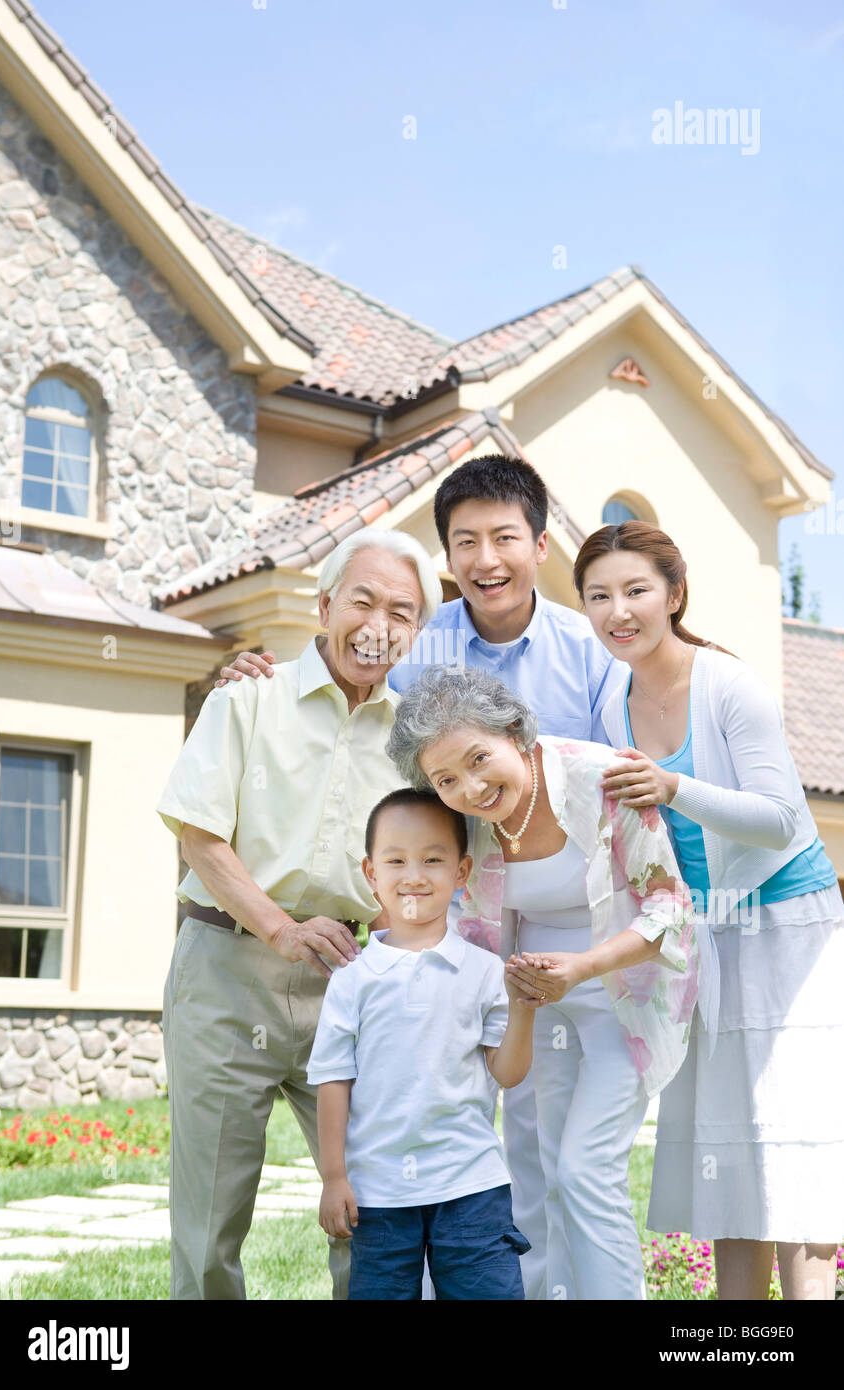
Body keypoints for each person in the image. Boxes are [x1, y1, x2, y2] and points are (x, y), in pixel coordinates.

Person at [215, 452, 627, 1298]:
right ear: (447, 558)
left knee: (574, 1150)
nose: (486, 559)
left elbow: (632, 758)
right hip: (470, 912)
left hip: (573, 916)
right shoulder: (427, 639)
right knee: (493, 1124)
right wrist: (259, 671)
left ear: (540, 545)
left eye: (504, 538)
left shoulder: (589, 648)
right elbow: (354, 662)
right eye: (465, 541)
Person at [156, 529, 443, 1299]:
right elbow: (200, 838)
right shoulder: (247, 697)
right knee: (212, 1223)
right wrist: (280, 929)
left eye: (403, 612)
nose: (380, 624)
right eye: (365, 600)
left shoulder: (418, 742)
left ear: (416, 633)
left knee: (374, 1204)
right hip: (227, 974)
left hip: (350, 986)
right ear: (324, 606)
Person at [574, 519, 844, 1301]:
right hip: (708, 936)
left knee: (792, 1144)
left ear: (674, 594)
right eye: (598, 596)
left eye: (635, 591)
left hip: (792, 932)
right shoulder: (613, 705)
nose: (618, 611)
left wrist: (673, 785)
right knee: (727, 1145)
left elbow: (782, 818)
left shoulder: (730, 684)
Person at [385, 665, 698, 1300]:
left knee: (587, 1168)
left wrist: (582, 967)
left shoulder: (599, 776)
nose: (470, 788)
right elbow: (467, 928)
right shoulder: (462, 822)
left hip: (627, 988)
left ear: (516, 734)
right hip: (537, 996)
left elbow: (668, 903)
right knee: (546, 1167)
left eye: (479, 760)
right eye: (446, 779)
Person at [309, 787, 540, 1300]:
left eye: (433, 860)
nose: (414, 875)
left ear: (461, 872)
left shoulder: (482, 969)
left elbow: (508, 1073)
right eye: (396, 861)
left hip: (471, 1185)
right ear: (372, 875)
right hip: (379, 1194)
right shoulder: (352, 978)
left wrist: (522, 1008)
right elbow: (332, 1079)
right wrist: (333, 1177)